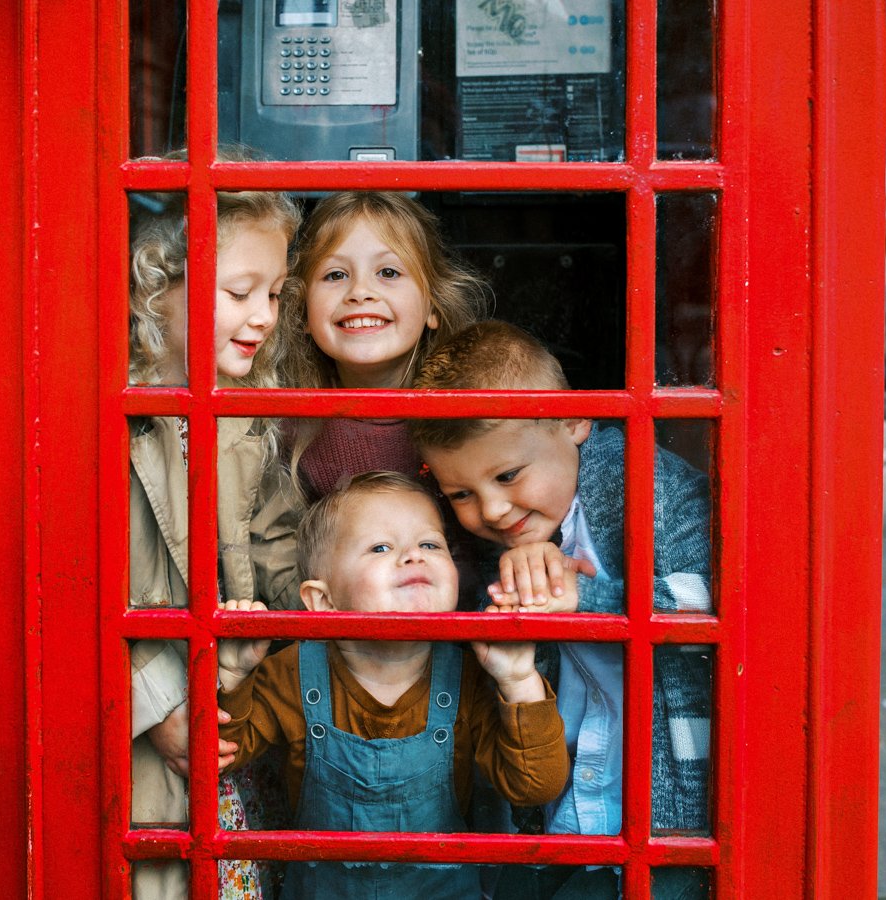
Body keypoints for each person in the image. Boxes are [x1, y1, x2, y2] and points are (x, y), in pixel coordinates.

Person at [411, 320, 713, 900]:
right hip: (556, 818)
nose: (493, 509)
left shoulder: (651, 487)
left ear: (574, 421)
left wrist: (586, 600)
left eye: (507, 475)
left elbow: (717, 608)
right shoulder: (494, 542)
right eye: (462, 494)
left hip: (668, 810)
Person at [216, 472, 570, 897]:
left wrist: (517, 679)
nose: (413, 557)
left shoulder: (471, 677)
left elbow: (536, 788)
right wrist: (233, 677)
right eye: (381, 548)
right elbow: (215, 758)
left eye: (430, 544)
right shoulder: (292, 673)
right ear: (323, 602)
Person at [126, 165, 305, 900]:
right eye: (239, 293)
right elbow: (69, 581)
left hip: (234, 716)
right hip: (142, 738)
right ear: (155, 289)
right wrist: (160, 706)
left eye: (273, 295)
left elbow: (274, 547)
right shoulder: (114, 416)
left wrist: (320, 598)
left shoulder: (249, 419)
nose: (262, 316)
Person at [280, 191, 490, 500]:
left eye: (388, 272)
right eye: (336, 274)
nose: (361, 292)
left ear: (432, 306)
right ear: (304, 313)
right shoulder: (287, 427)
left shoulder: (469, 413)